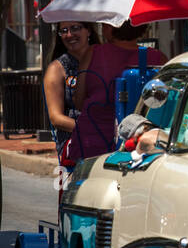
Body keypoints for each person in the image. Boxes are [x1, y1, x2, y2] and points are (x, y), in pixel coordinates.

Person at [67, 22, 164, 163]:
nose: (102, 27)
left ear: (112, 27)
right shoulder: (158, 58)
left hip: (91, 139)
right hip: (138, 141)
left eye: (105, 23)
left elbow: (79, 101)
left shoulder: (93, 53)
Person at [45, 22, 97, 160]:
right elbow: (56, 118)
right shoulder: (56, 69)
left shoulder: (104, 60)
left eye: (75, 28)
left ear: (89, 30)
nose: (69, 35)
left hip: (109, 139)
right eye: (64, 31)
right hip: (75, 144)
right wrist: (91, 130)